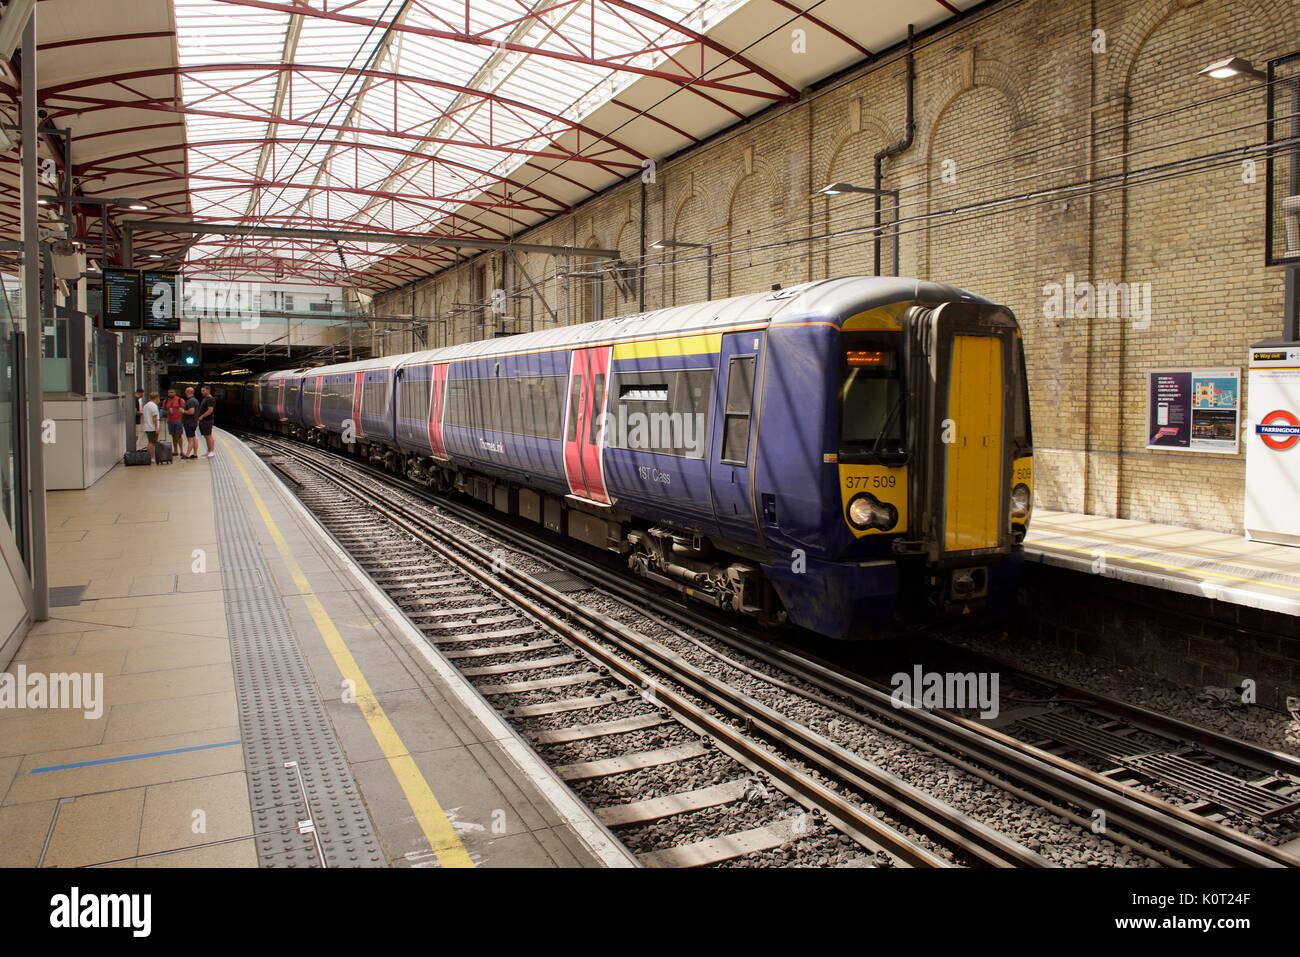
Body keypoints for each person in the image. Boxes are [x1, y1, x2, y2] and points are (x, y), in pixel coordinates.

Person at [162, 388, 184, 460]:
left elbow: (184, 409)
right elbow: (163, 410)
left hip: (178, 420)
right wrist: (166, 412)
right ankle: (175, 450)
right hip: (170, 420)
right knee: (173, 436)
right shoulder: (165, 401)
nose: (170, 394)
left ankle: (182, 450)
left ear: (175, 393)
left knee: (179, 436)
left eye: (171, 392)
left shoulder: (180, 400)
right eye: (169, 393)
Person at [140, 391, 161, 464]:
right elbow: (154, 417)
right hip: (152, 427)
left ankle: (151, 457)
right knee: (152, 443)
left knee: (150, 442)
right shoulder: (153, 406)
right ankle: (152, 457)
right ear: (156, 398)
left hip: (147, 426)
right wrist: (157, 428)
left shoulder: (146, 405)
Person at [197, 385, 216, 458]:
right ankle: (209, 451)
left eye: (203, 390)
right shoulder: (205, 399)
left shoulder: (210, 399)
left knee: (208, 436)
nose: (202, 392)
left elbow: (210, 410)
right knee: (206, 435)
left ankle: (212, 451)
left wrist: (202, 416)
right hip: (204, 421)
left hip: (207, 420)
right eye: (202, 390)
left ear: (208, 390)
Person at [182, 386, 199, 459]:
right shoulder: (195, 400)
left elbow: (191, 411)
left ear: (187, 392)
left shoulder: (190, 401)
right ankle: (195, 453)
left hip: (189, 422)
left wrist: (183, 411)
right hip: (193, 422)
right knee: (194, 438)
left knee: (190, 439)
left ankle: (187, 454)